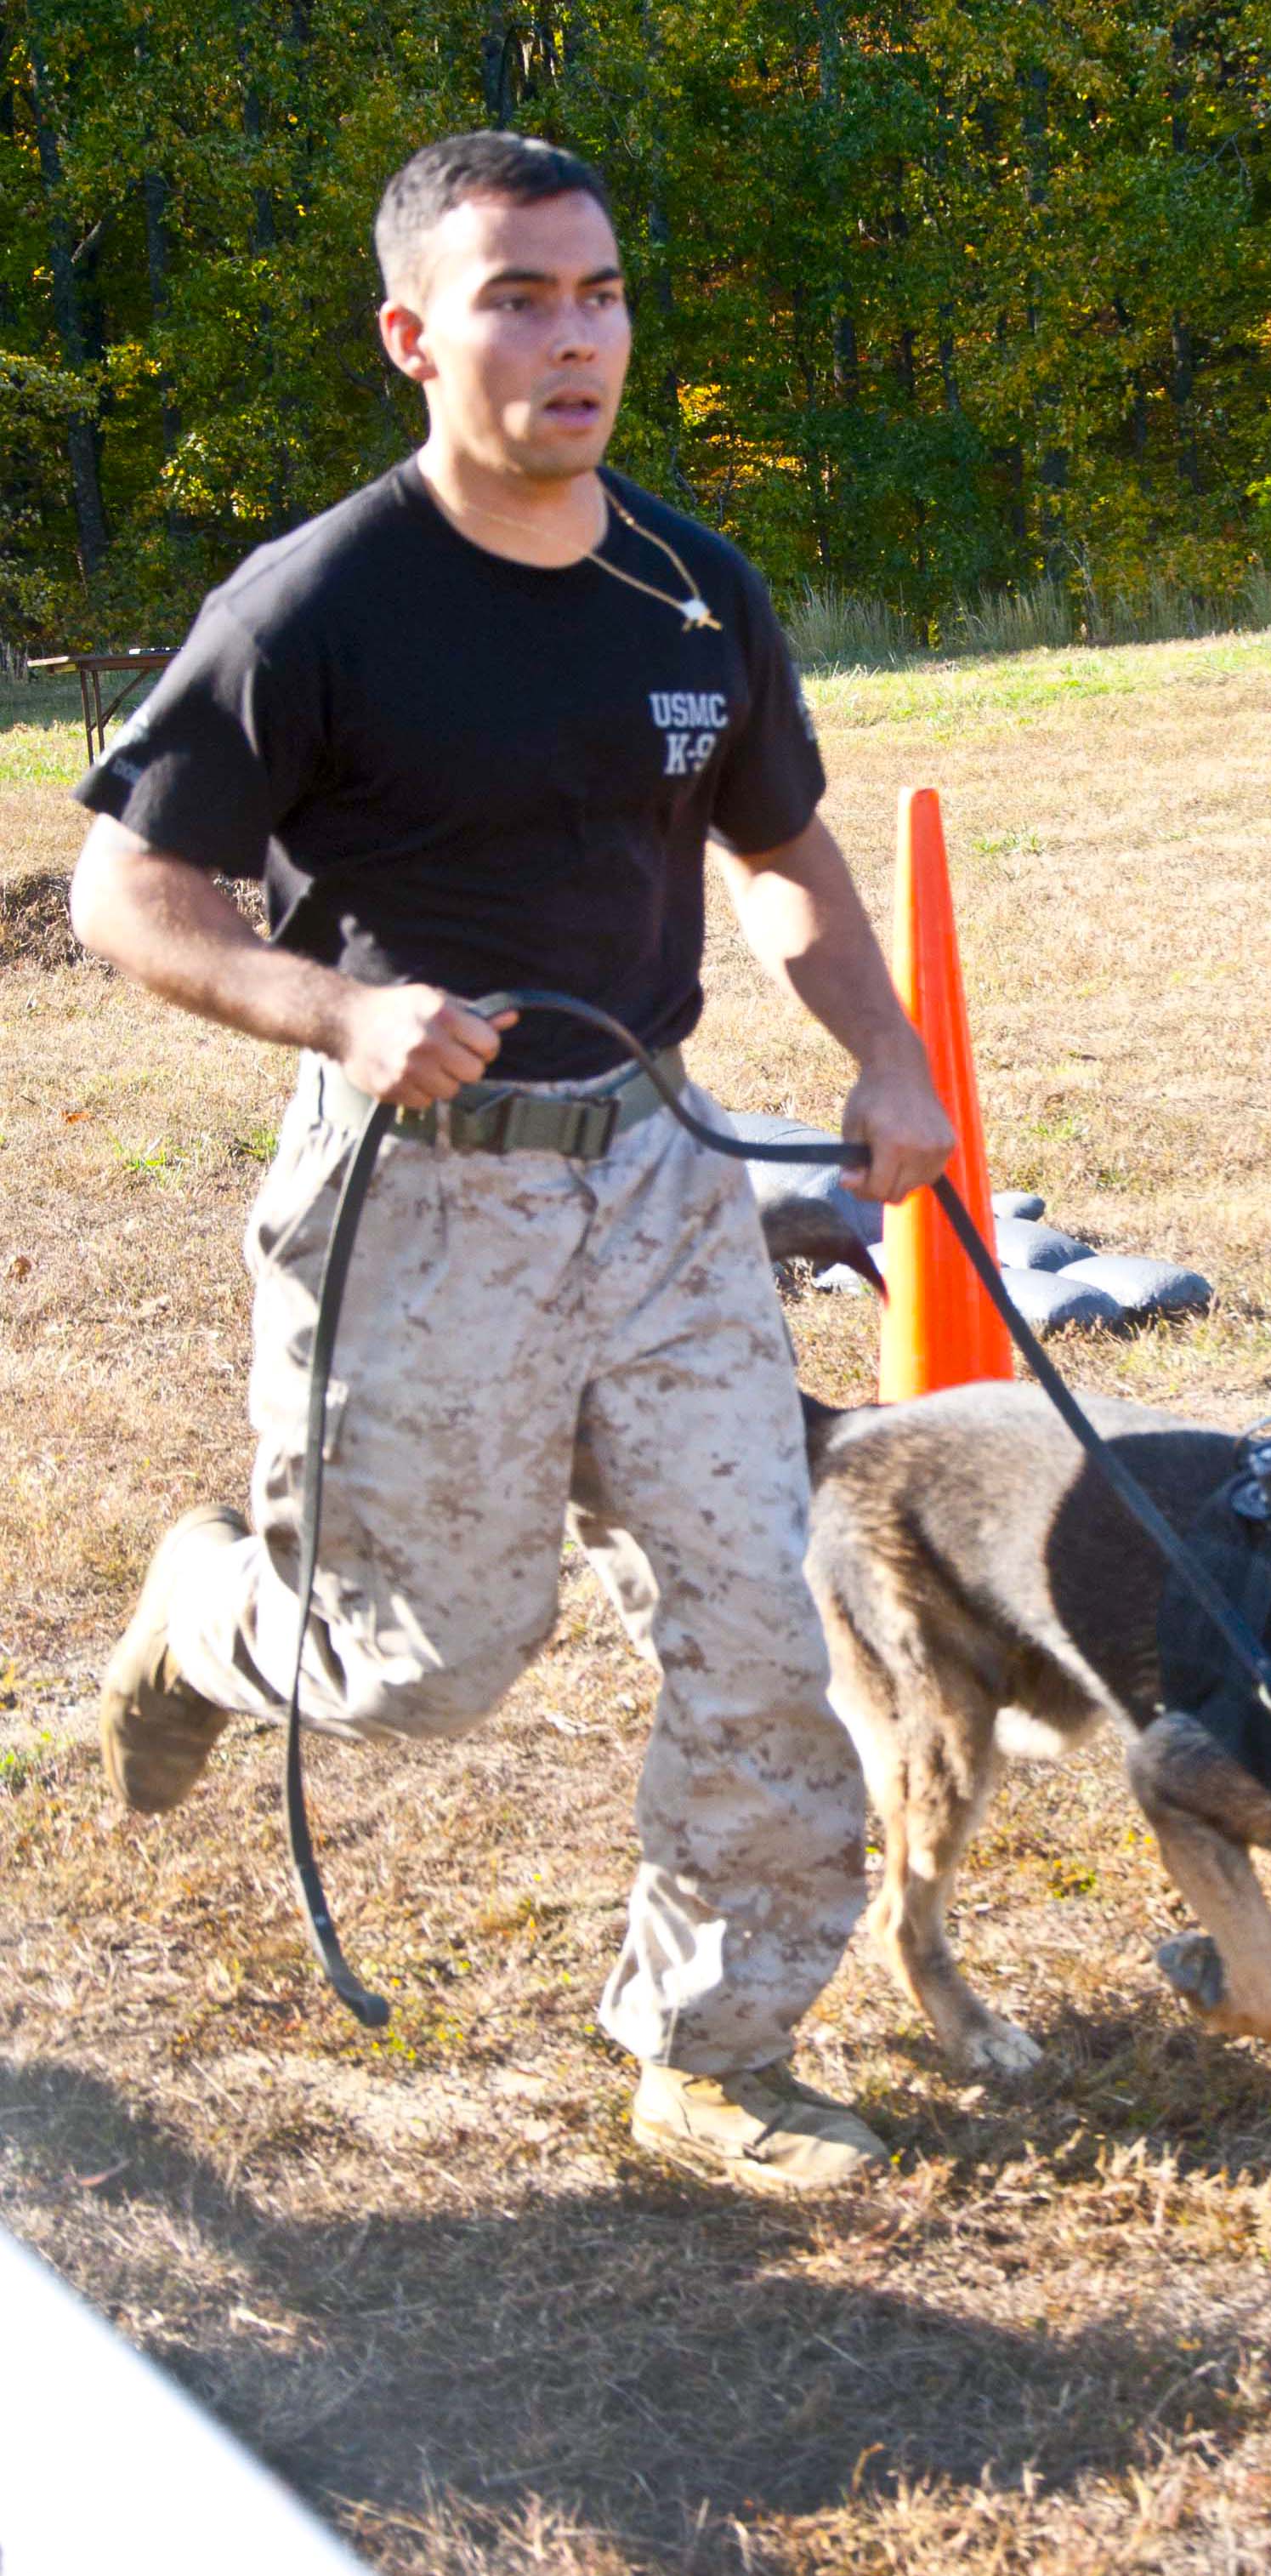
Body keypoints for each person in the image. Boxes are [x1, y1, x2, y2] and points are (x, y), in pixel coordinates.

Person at [68, 129, 954, 2194]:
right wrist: (335, 1013)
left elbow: (778, 849)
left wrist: (891, 1056)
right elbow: (126, 891)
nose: (577, 340)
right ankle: (210, 1613)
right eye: (520, 300)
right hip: (420, 1193)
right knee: (424, 1665)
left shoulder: (692, 585)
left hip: (661, 1181)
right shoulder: (318, 605)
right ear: (414, 336)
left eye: (601, 294)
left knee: (765, 1618)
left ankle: (713, 2054)